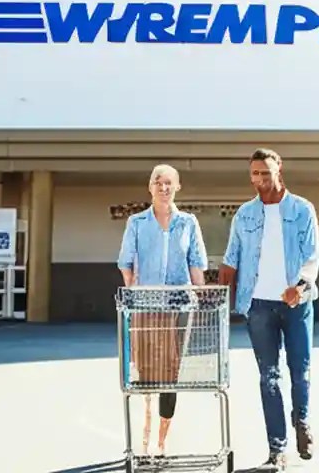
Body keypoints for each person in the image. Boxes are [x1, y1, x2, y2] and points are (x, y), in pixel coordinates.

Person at [219, 148, 319, 470]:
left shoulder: (302, 210)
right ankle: (277, 448)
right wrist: (218, 297)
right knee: (269, 377)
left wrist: (301, 286)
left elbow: (311, 258)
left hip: (296, 304)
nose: (260, 179)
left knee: (300, 371)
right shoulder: (244, 215)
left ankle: (301, 419)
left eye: (265, 172)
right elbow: (230, 260)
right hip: (258, 305)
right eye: (254, 174)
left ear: (279, 170)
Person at [116, 163, 209, 457]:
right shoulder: (137, 223)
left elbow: (196, 264)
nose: (164, 187)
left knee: (171, 372)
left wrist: (202, 293)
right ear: (150, 187)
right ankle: (145, 429)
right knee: (145, 372)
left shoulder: (189, 223)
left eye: (169, 182)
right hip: (146, 307)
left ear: (177, 187)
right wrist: (134, 294)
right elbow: (126, 264)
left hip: (179, 307)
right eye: (158, 182)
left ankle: (162, 439)